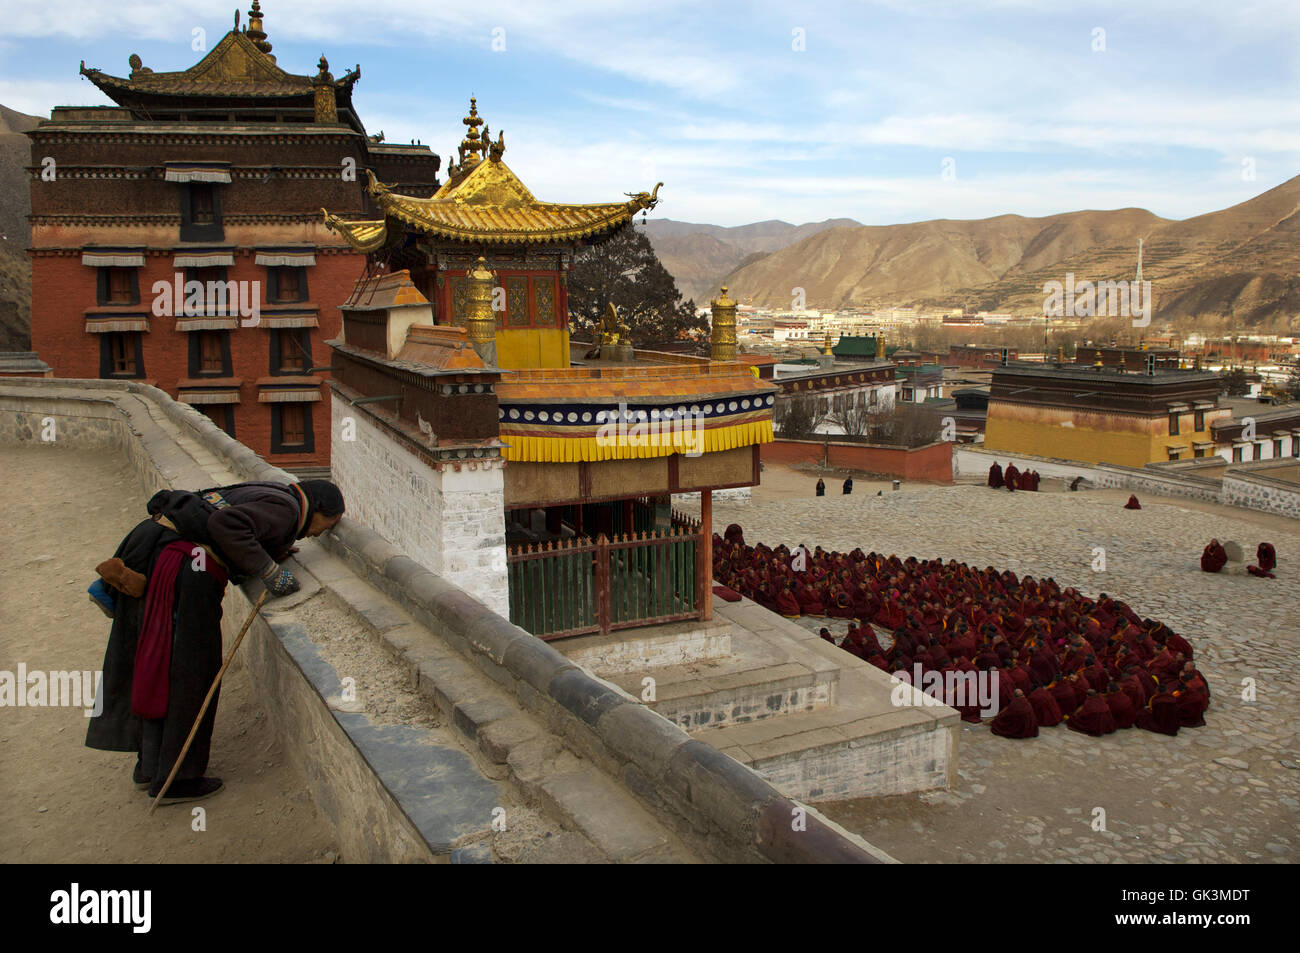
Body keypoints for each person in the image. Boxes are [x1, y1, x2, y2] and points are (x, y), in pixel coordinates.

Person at [86, 479, 345, 805]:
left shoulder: (274, 491)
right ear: (317, 509)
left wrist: (270, 547)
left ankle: (150, 765)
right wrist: (269, 570)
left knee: (158, 665)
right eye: (328, 524)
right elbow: (226, 524)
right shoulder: (288, 510)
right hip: (188, 577)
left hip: (166, 564)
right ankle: (177, 780)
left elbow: (231, 517)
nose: (319, 533)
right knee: (189, 673)